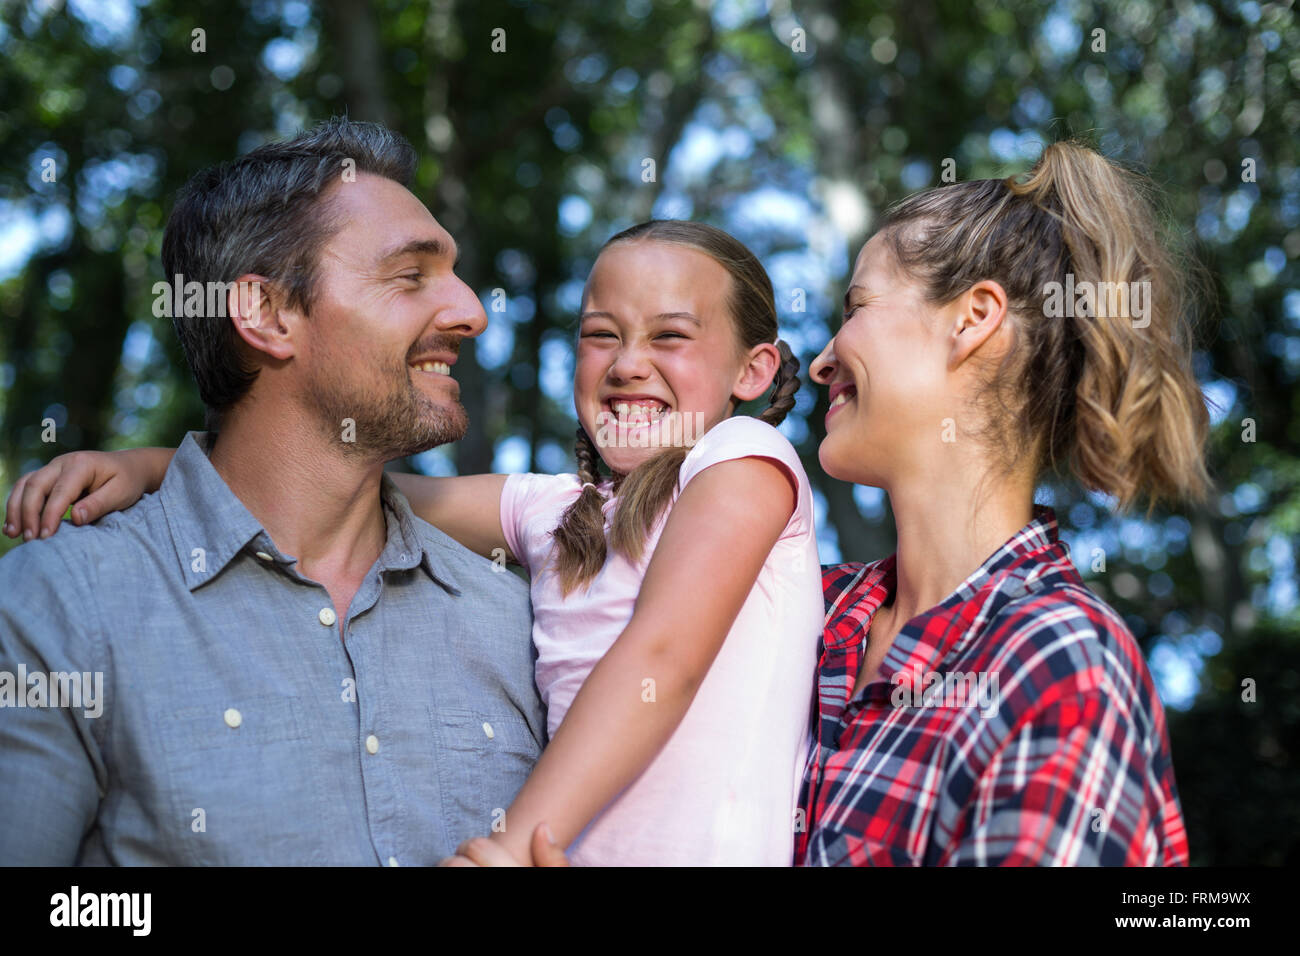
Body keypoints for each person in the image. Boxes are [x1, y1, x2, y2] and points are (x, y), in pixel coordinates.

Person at [7, 221, 824, 867]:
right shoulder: (556, 510)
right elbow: (368, 489)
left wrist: (509, 843)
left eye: (671, 338)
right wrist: (152, 467)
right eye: (601, 334)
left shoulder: (742, 461)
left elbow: (666, 657)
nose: (626, 365)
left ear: (751, 372)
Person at [0, 117, 547, 866]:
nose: (472, 313)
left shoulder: (518, 623)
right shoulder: (64, 604)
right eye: (410, 276)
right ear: (267, 313)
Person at [796, 141, 1208, 865]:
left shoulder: (1060, 665)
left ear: (973, 318)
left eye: (857, 307)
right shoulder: (804, 612)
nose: (820, 359)